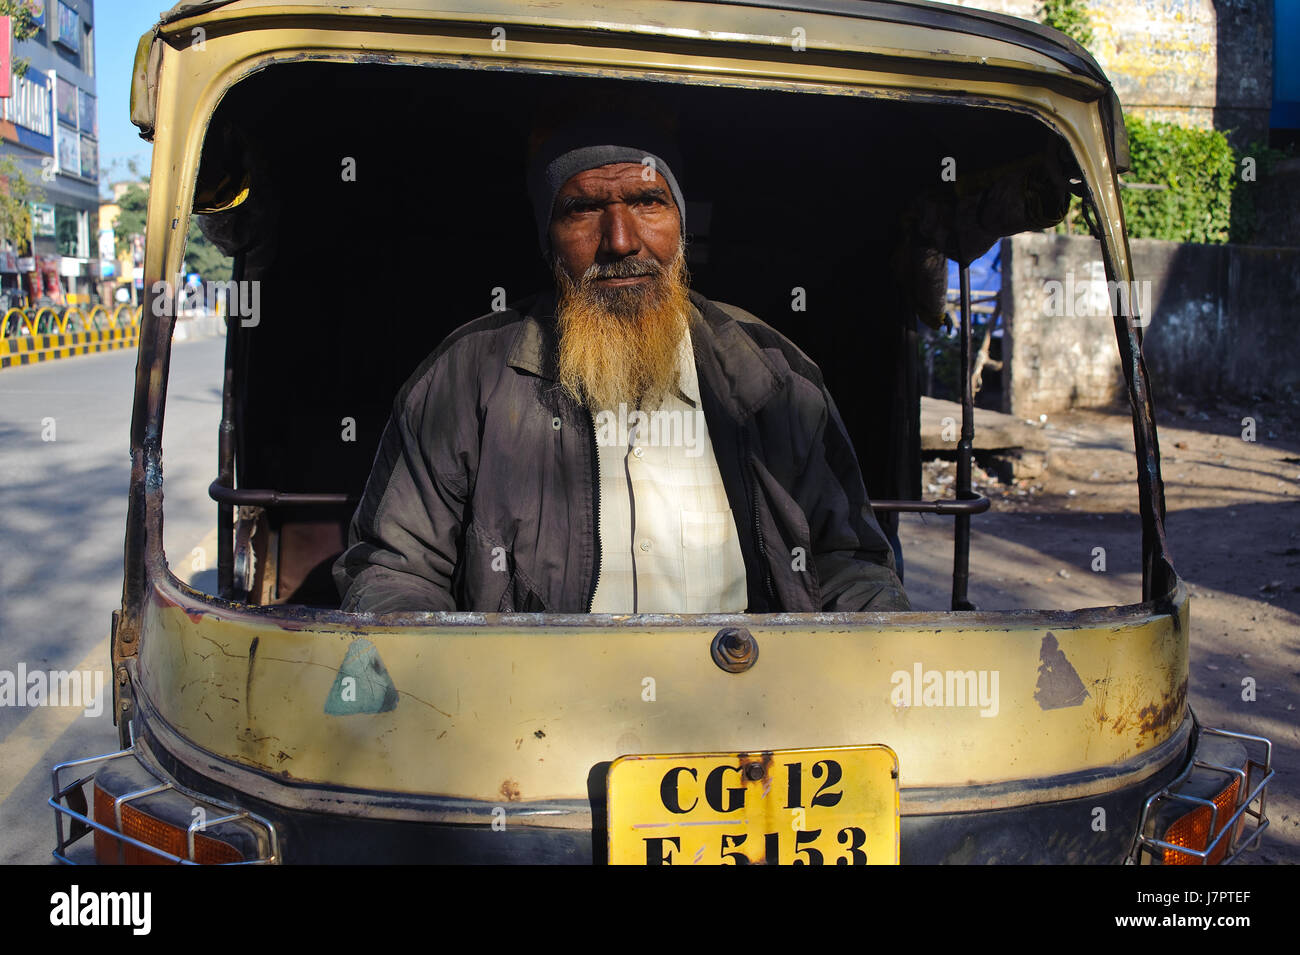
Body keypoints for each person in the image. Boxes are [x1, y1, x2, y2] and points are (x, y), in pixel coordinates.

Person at [333, 115, 909, 614]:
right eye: (583, 209)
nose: (620, 240)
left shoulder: (774, 374)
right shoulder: (467, 378)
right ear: (548, 238)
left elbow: (851, 565)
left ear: (681, 224)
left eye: (646, 202)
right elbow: (395, 571)